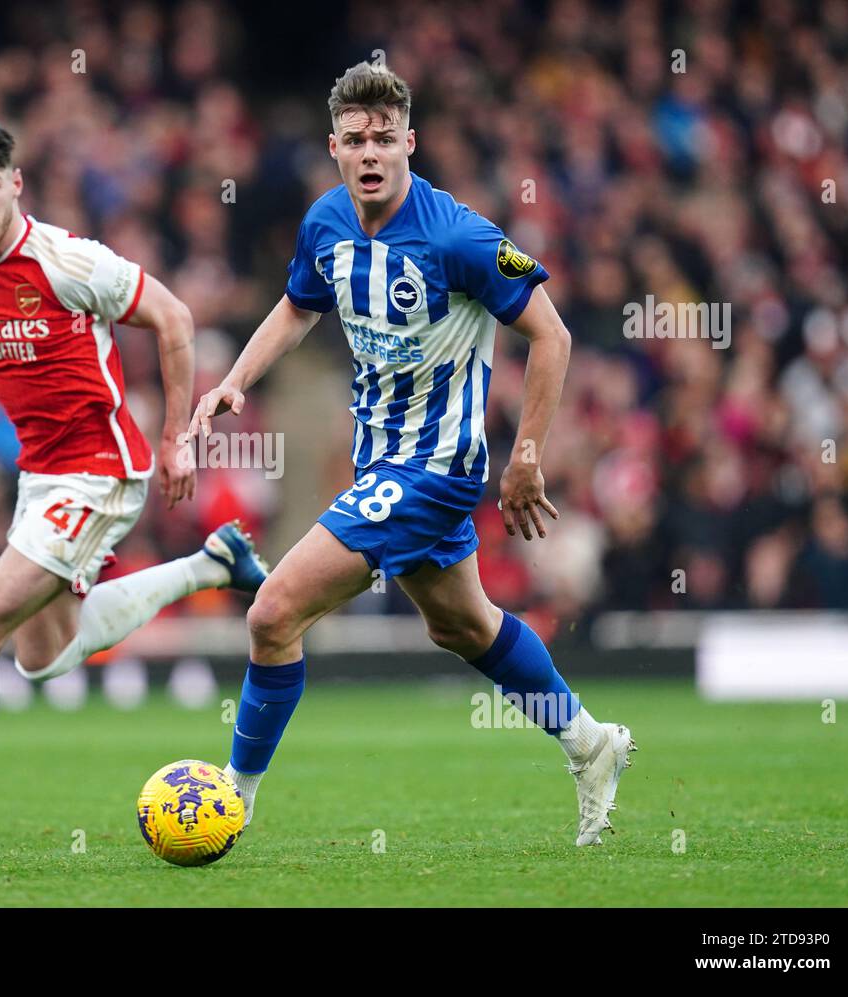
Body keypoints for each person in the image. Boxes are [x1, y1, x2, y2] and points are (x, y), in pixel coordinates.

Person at [186, 64, 635, 847]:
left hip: (434, 470)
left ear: (409, 144)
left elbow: (553, 334)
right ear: (334, 148)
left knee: (272, 611)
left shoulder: (460, 236)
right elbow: (297, 306)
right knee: (462, 626)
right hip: (380, 460)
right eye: (356, 139)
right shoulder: (326, 222)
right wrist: (234, 380)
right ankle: (590, 742)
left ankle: (233, 795)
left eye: (385, 139)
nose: (371, 153)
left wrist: (527, 456)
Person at [0, 115, 267, 841]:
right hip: (40, 478)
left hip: (101, 472)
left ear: (16, 185)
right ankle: (212, 565)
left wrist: (175, 439)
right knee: (42, 657)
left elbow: (174, 318)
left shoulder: (68, 261)